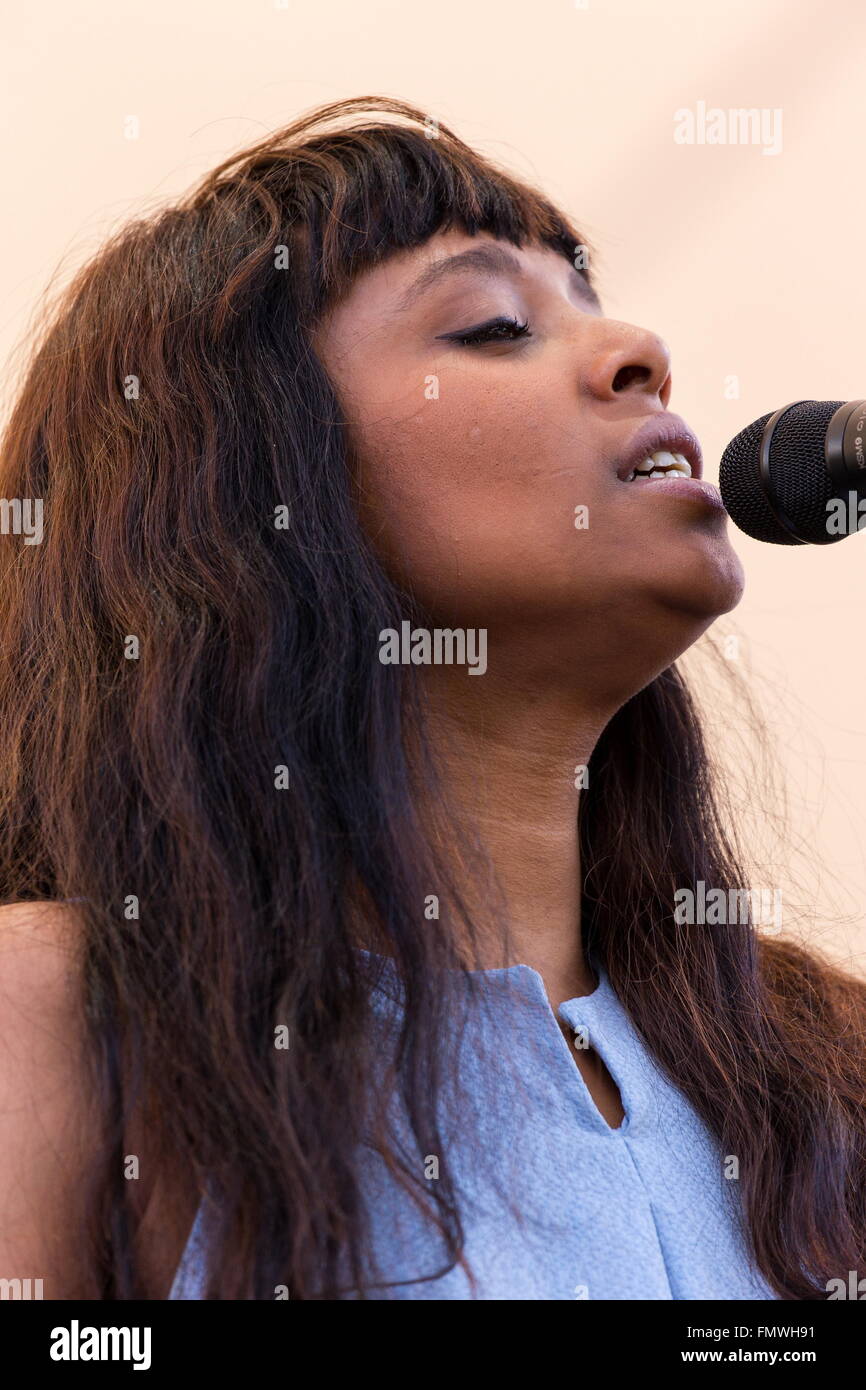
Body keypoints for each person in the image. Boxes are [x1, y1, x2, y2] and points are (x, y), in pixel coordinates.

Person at [0, 95, 863, 1301]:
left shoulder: (824, 1065)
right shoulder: (64, 1019)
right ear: (258, 492)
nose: (639, 352)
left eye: (592, 301)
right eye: (494, 325)